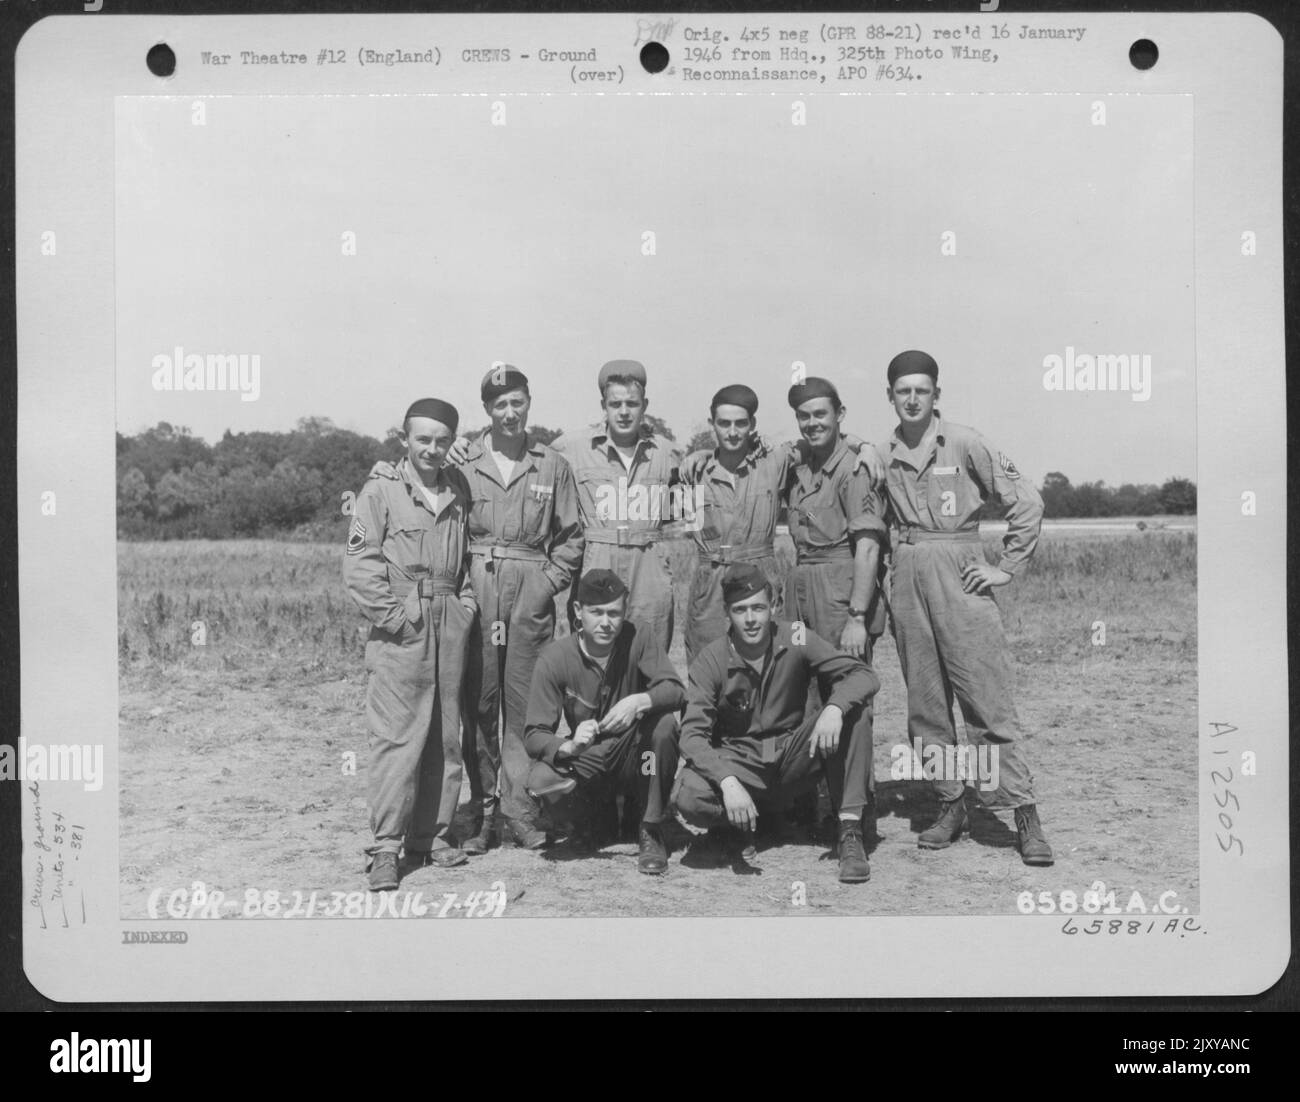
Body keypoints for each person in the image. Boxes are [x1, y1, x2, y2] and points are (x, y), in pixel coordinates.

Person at [877, 349, 1053, 865]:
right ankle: (951, 802)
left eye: (922, 390)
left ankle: (1023, 813)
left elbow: (1027, 501)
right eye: (902, 391)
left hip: (960, 568)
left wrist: (1006, 566)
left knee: (986, 701)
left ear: (936, 394)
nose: (912, 399)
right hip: (907, 573)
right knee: (926, 706)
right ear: (890, 396)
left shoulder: (966, 442)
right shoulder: (880, 453)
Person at [343, 398, 478, 891]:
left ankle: (433, 835)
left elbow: (464, 561)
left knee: (445, 734)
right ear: (404, 440)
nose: (432, 448)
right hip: (404, 624)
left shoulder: (458, 488)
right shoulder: (379, 490)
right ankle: (386, 847)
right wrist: (396, 620)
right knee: (397, 738)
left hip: (450, 620)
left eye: (442, 440)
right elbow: (361, 566)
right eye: (423, 439)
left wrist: (465, 605)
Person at [672, 564, 880, 883]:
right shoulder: (711, 659)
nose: (751, 618)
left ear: (774, 607)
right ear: (727, 613)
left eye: (758, 607)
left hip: (791, 758)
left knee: (856, 713)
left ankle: (850, 833)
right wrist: (727, 782)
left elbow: (863, 674)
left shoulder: (795, 636)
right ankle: (738, 826)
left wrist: (834, 707)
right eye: (740, 610)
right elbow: (691, 736)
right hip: (741, 765)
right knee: (688, 796)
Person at [457, 367, 585, 853]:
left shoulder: (550, 464)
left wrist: (545, 584)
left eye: (517, 402)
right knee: (481, 703)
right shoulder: (464, 459)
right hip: (480, 587)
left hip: (530, 591)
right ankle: (485, 812)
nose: (509, 413)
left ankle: (520, 809)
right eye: (499, 405)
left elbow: (571, 537)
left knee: (526, 706)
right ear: (486, 410)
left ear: (529, 402)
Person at [679, 383, 886, 665]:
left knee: (770, 671)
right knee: (708, 668)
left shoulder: (776, 461)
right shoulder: (693, 471)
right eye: (723, 423)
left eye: (741, 423)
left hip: (759, 575)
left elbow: (827, 437)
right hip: (710, 584)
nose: (732, 431)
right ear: (711, 424)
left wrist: (865, 446)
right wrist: (700, 453)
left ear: (752, 425)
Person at [522, 569, 685, 874]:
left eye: (614, 613)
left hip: (635, 755)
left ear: (624, 612)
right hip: (589, 758)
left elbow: (675, 690)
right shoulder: (555, 658)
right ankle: (593, 823)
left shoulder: (639, 637)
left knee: (664, 727)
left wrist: (639, 701)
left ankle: (649, 828)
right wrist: (568, 745)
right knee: (542, 780)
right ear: (577, 611)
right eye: (596, 612)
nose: (606, 622)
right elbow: (533, 735)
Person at [783, 377, 890, 841]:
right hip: (802, 586)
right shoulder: (799, 464)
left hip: (842, 587)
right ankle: (816, 802)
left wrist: (858, 616)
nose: (812, 423)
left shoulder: (855, 468)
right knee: (803, 696)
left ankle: (856, 812)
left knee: (849, 698)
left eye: (821, 414)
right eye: (804, 416)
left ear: (839, 414)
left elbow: (867, 545)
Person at [550, 360, 680, 653]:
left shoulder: (666, 452)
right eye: (615, 403)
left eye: (632, 404)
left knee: (649, 652)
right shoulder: (572, 447)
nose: (623, 412)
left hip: (649, 565)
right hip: (598, 558)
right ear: (603, 404)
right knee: (593, 655)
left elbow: (695, 490)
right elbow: (528, 461)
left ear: (644, 404)